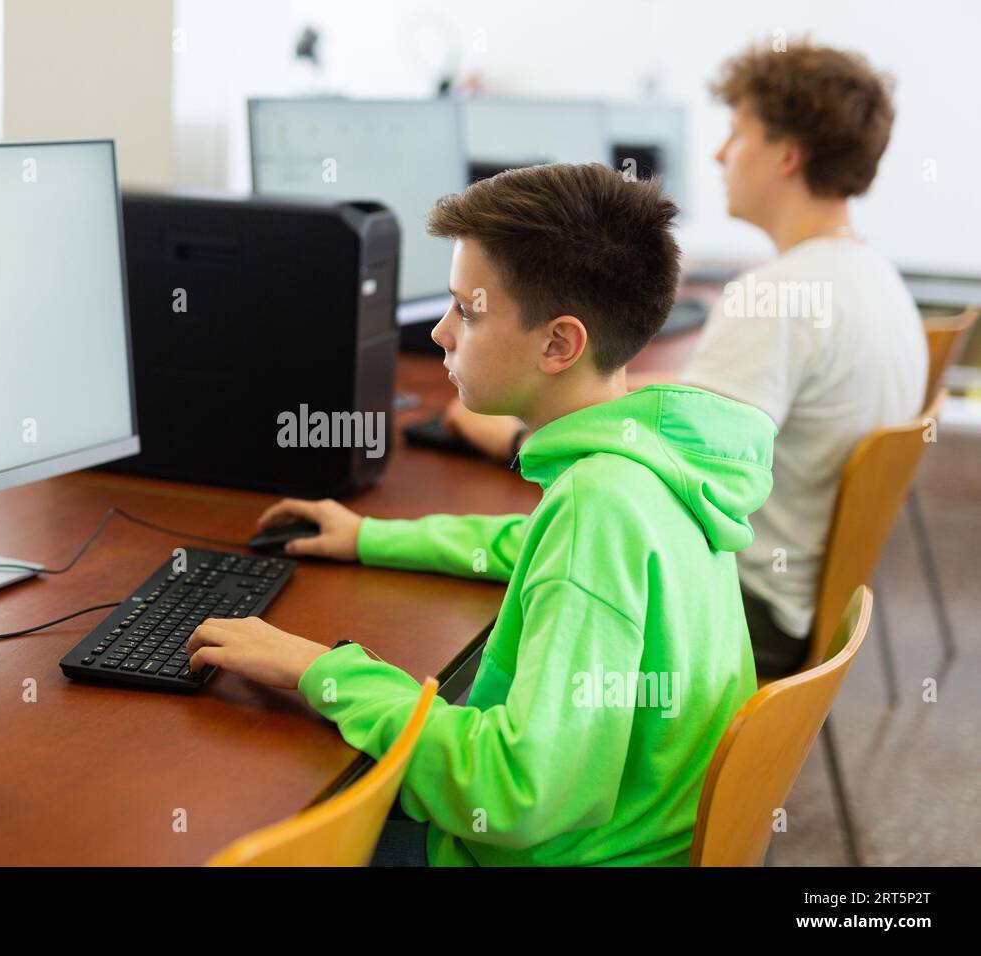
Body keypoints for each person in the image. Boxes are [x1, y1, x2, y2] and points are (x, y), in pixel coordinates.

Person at [186, 163, 774, 866]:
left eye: (468, 310)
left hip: (561, 851)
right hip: (641, 837)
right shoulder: (651, 462)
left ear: (559, 343)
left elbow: (520, 792)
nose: (440, 332)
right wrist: (372, 536)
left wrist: (323, 670)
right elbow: (531, 545)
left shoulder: (597, 508)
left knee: (266, 827)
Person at [441, 40, 927, 677]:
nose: (721, 153)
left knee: (459, 637)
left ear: (787, 154)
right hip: (810, 596)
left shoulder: (776, 297)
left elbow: (668, 467)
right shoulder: (876, 277)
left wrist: (510, 426)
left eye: (738, 132)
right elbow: (700, 419)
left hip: (750, 607)